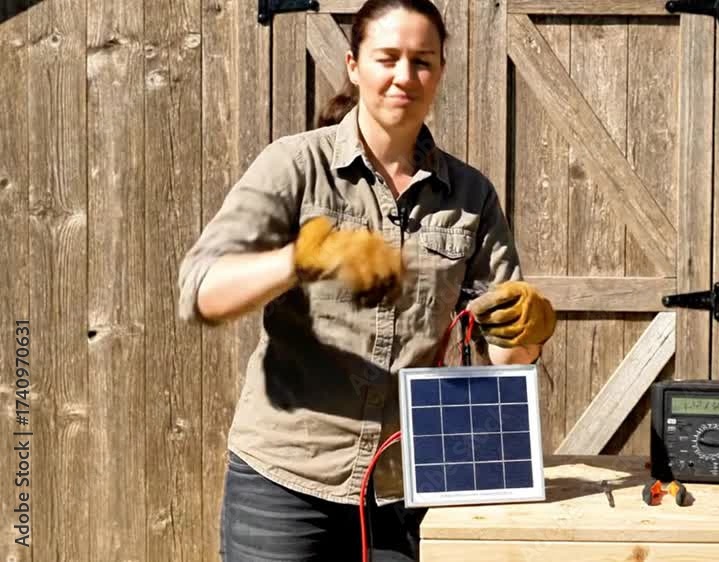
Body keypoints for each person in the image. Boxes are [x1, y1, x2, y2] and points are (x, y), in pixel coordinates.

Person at [176, 0, 556, 560]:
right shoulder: (295, 166)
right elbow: (201, 291)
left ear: (440, 72)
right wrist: (298, 261)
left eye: (422, 61)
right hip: (285, 484)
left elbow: (506, 357)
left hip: (405, 488)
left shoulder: (471, 195)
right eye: (388, 58)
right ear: (354, 66)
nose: (405, 76)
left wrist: (528, 331)